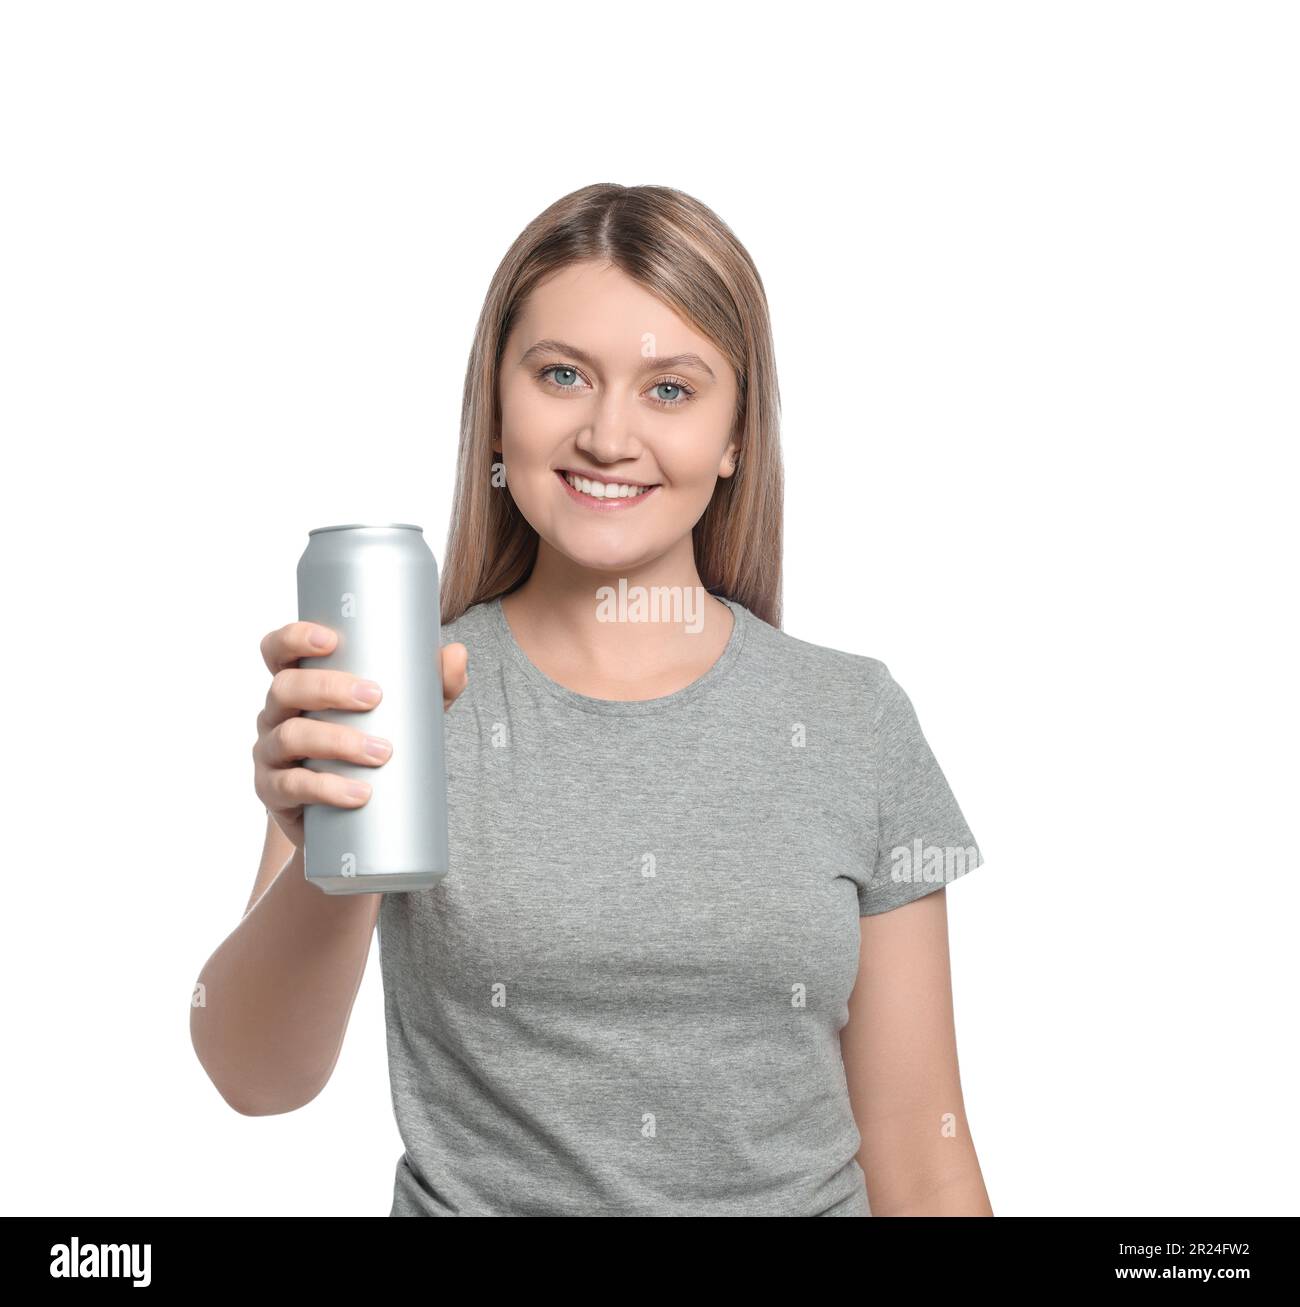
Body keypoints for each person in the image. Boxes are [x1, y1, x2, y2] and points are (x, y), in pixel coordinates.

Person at [191, 182, 991, 1217]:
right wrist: (324, 849)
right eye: (562, 374)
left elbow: (920, 1151)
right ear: (497, 405)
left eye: (670, 388)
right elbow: (256, 1078)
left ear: (736, 434)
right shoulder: (391, 698)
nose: (608, 435)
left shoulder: (852, 716)